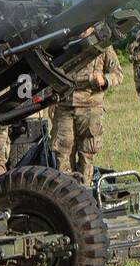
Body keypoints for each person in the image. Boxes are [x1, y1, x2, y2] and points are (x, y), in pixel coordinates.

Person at [50, 43, 123, 185]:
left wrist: (105, 79)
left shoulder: (103, 45)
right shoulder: (64, 40)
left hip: (90, 107)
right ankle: (66, 195)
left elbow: (118, 74)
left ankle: (85, 192)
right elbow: (51, 71)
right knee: (62, 153)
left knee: (87, 154)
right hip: (64, 106)